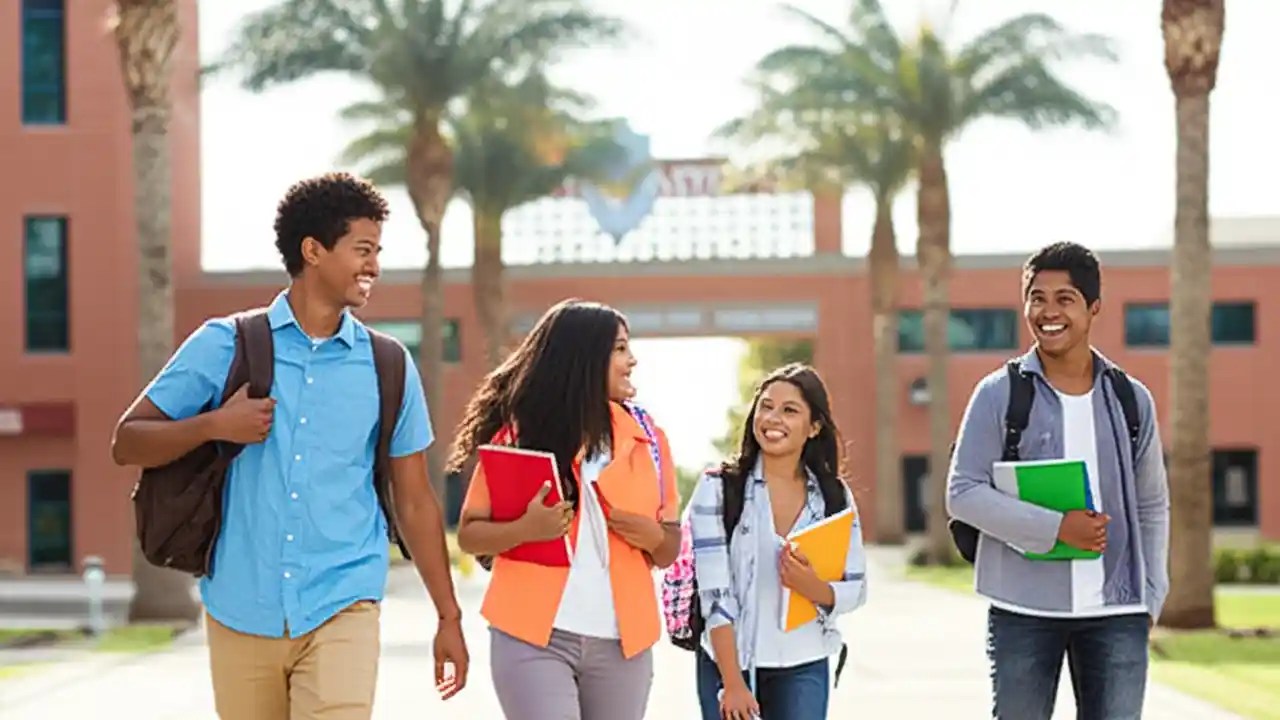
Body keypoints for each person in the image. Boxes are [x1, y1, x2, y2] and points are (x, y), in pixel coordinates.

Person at [111, 172, 468, 719]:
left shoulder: (388, 365)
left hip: (343, 600)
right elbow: (128, 441)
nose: (374, 265)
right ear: (313, 251)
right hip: (240, 604)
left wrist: (448, 616)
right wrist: (213, 426)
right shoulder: (224, 343)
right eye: (363, 249)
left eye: (377, 251)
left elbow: (416, 499)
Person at [947, 241, 1170, 719]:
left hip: (1117, 614)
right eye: (1037, 298)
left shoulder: (1133, 400)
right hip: (1023, 612)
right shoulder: (997, 394)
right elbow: (962, 493)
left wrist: (1151, 596)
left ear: (1093, 309)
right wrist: (1056, 529)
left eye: (1064, 299)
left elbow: (1152, 505)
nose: (1048, 312)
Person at [452, 298, 681, 720]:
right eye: (619, 349)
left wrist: (651, 537)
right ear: (585, 358)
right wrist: (525, 527)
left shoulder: (650, 439)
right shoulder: (519, 436)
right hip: (533, 638)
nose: (632, 360)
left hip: (622, 644)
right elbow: (470, 534)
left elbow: (668, 548)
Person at [689, 363, 867, 720]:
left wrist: (813, 587)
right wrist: (734, 682)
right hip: (729, 665)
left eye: (789, 411)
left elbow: (856, 588)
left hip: (805, 665)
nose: (772, 419)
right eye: (766, 406)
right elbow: (715, 596)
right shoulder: (718, 488)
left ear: (814, 427)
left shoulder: (833, 497)